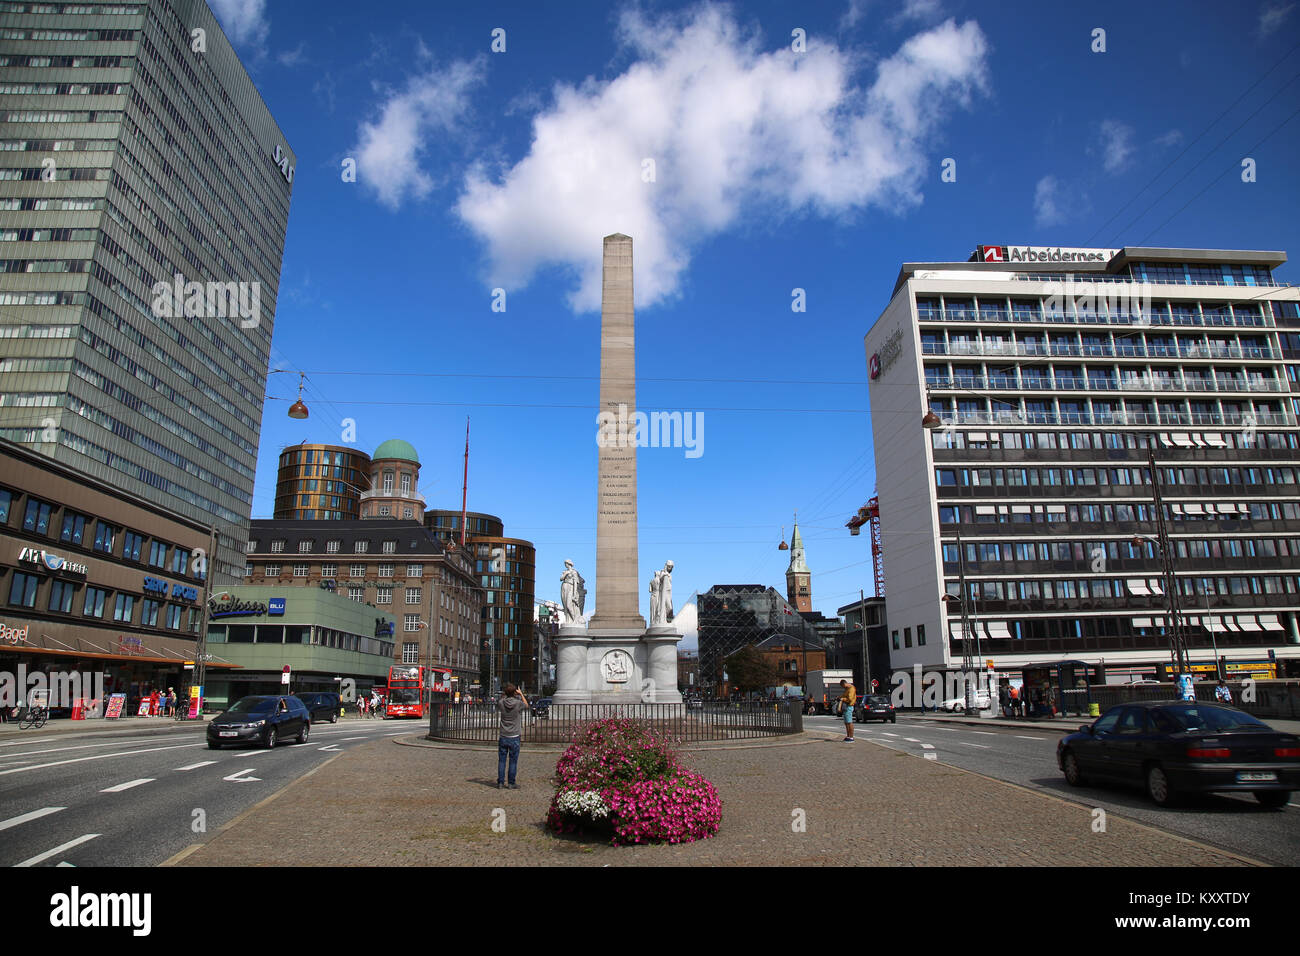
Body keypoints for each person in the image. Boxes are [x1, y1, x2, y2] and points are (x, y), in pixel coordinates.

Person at [496, 682, 528, 789]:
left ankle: (500, 782)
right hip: (514, 736)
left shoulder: (501, 703)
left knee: (502, 760)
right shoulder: (518, 703)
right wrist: (521, 694)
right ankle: (511, 782)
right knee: (513, 761)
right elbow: (526, 705)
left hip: (503, 735)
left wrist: (506, 693)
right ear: (515, 692)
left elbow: (500, 700)